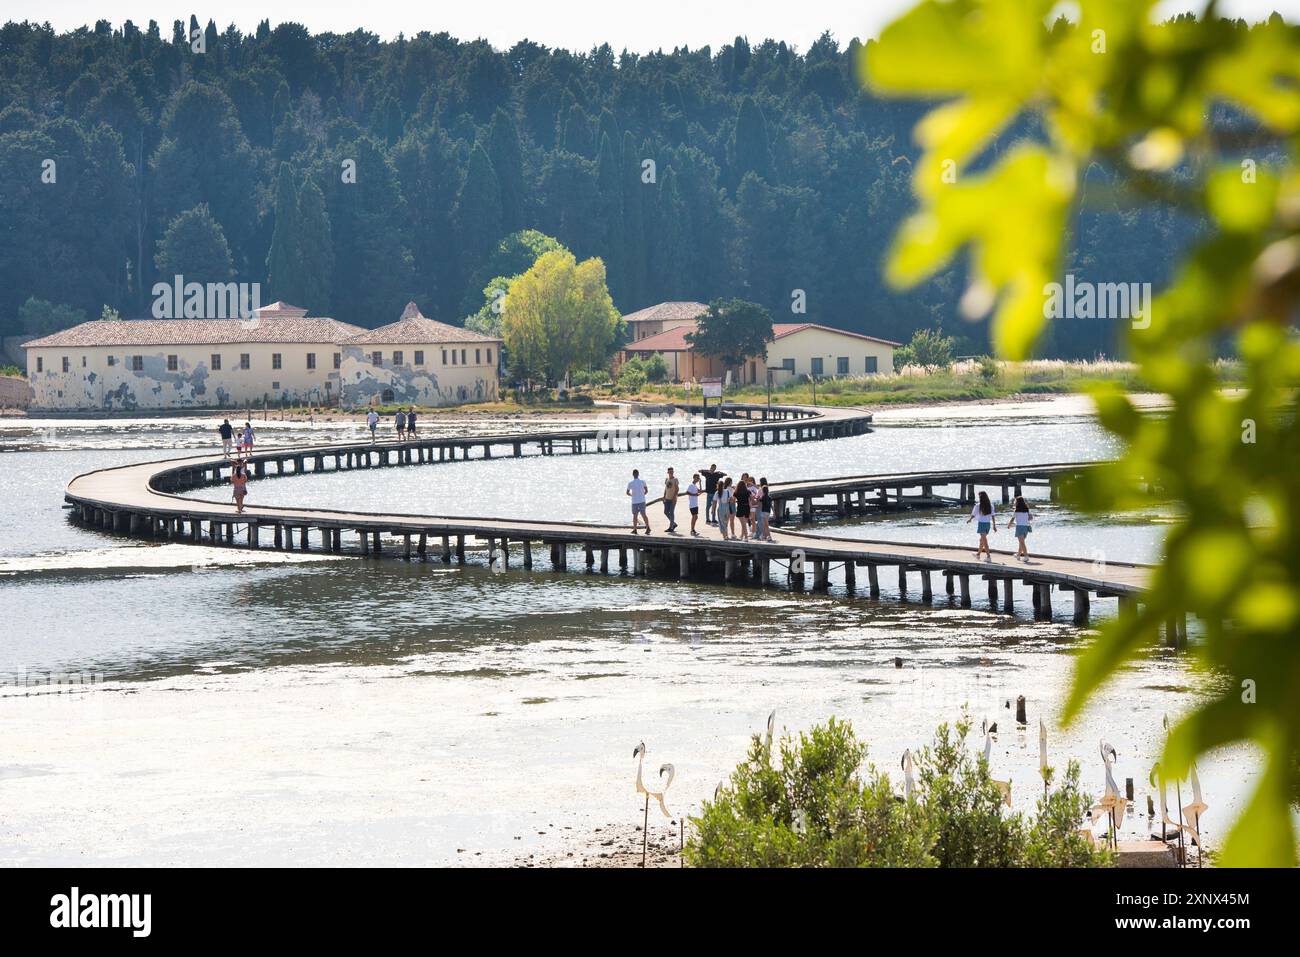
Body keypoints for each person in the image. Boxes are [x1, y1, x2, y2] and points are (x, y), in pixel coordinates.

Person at [967, 490, 998, 562]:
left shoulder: (978, 505)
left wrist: (969, 519)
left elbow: (973, 514)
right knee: (981, 540)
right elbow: (993, 516)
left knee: (984, 541)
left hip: (981, 524)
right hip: (988, 524)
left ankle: (988, 556)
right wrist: (994, 525)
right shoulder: (991, 505)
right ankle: (978, 554)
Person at [627, 468, 651, 534]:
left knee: (635, 516)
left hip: (634, 502)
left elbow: (627, 492)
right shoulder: (643, 482)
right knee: (643, 514)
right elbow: (646, 491)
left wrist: (631, 495)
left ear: (633, 475)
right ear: (638, 474)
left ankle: (635, 530)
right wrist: (643, 495)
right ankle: (648, 527)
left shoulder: (630, 483)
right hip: (642, 501)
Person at [1010, 494, 1033, 562]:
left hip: (1019, 527)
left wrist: (1009, 525)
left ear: (1017, 502)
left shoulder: (1016, 511)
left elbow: (1012, 519)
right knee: (1021, 542)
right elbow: (1031, 518)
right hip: (1026, 527)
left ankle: (1026, 556)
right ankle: (1018, 555)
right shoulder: (1026, 509)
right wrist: (1025, 518)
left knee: (1022, 542)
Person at [734, 472, 751, 541]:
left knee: (743, 524)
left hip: (740, 507)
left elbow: (733, 500)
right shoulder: (748, 491)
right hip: (747, 507)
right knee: (744, 523)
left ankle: (746, 537)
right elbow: (752, 499)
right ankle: (742, 535)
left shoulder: (736, 492)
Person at [662, 467, 680, 533]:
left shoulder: (675, 479)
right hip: (667, 498)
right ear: (668, 472)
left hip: (673, 499)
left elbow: (677, 489)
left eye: (672, 472)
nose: (671, 473)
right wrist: (664, 497)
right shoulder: (666, 479)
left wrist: (674, 497)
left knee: (671, 513)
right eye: (670, 472)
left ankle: (671, 527)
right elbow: (666, 489)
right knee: (666, 512)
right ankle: (673, 523)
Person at [756, 477, 773, 542]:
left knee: (765, 524)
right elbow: (771, 505)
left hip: (763, 512)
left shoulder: (762, 497)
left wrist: (755, 498)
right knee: (765, 524)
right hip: (768, 512)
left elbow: (758, 501)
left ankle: (768, 536)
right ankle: (764, 536)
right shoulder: (769, 497)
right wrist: (774, 513)